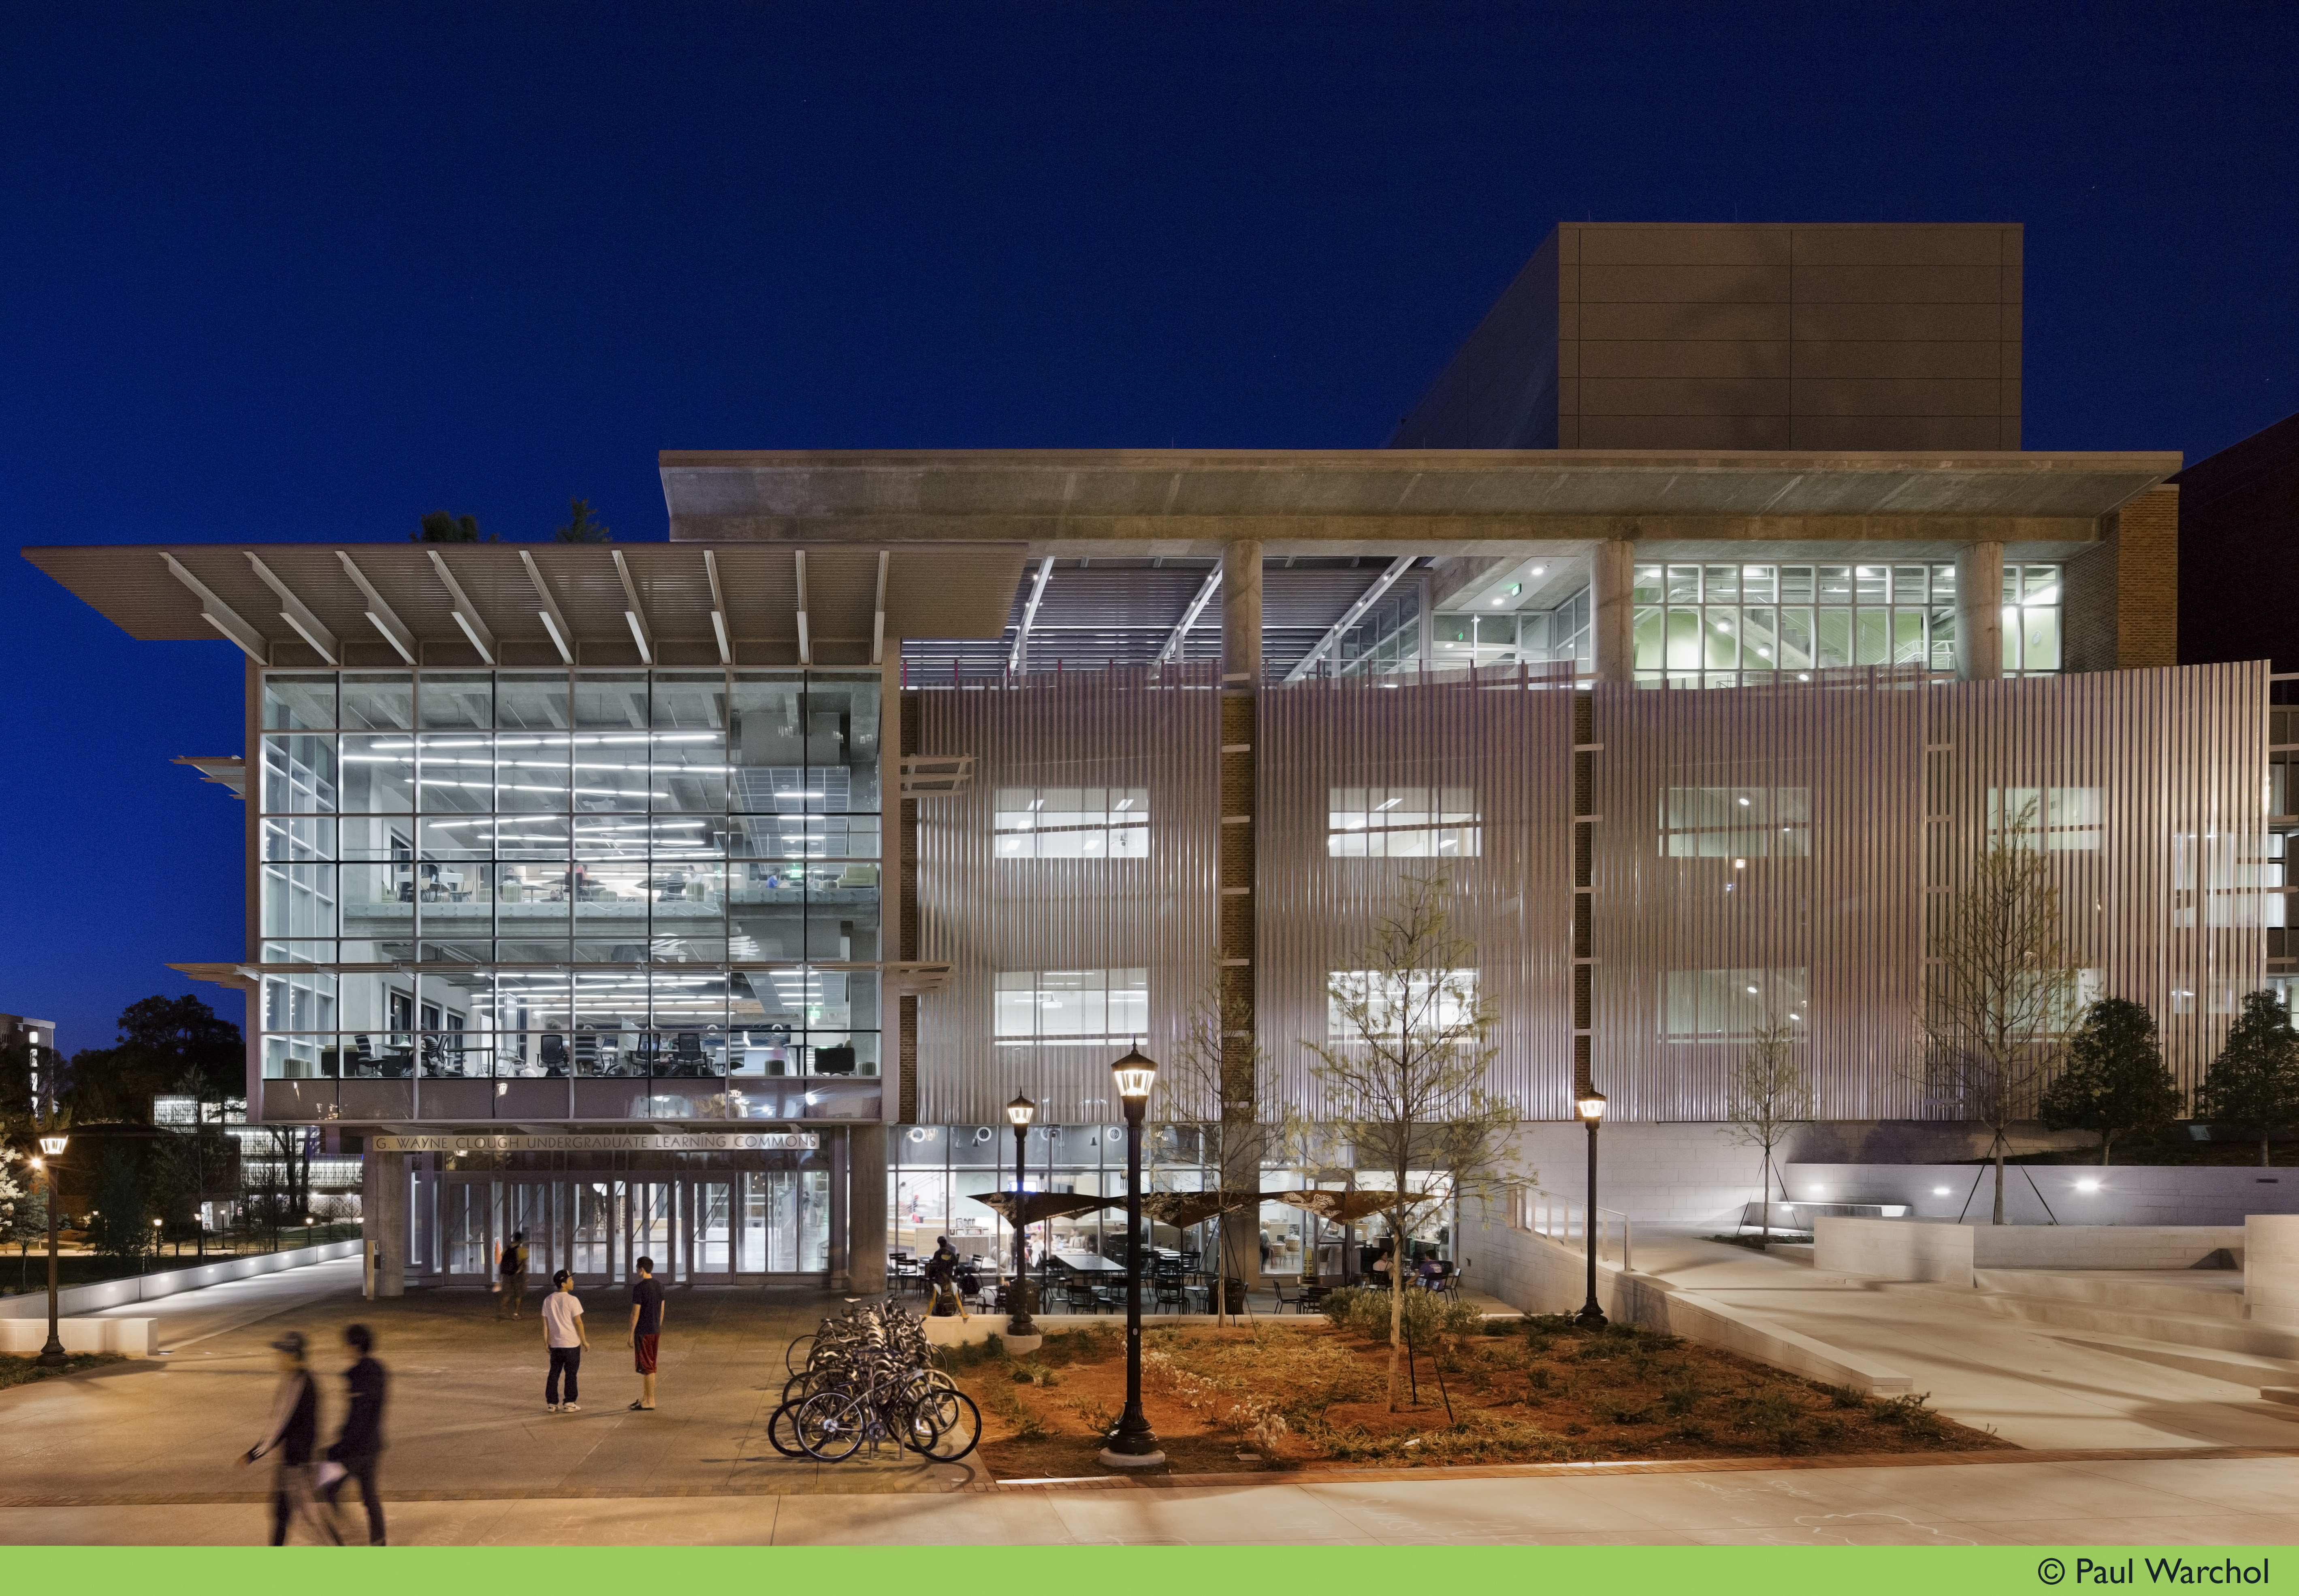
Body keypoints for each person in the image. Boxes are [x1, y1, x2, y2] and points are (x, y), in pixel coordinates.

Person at [241, 1330, 319, 1546]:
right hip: (292, 1461)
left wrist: (252, 1454)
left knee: (313, 1520)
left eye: (282, 1354)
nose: (278, 1358)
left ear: (293, 1356)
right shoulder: (296, 1380)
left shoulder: (299, 1383)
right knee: (282, 1514)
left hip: (297, 1463)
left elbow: (278, 1426)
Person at [319, 1323, 387, 1546]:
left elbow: (358, 1418)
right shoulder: (377, 1371)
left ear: (355, 1346)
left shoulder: (361, 1376)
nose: (344, 1349)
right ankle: (379, 1544)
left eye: (346, 1345)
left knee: (328, 1490)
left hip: (356, 1451)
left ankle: (341, 1540)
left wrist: (336, 1450)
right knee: (370, 1498)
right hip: (371, 1447)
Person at [542, 1267, 588, 1413]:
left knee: (554, 1374)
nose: (573, 1282)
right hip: (572, 1344)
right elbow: (578, 1322)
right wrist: (584, 1341)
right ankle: (569, 1402)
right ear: (563, 1284)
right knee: (571, 1374)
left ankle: (552, 1403)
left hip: (556, 1344)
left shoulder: (548, 1300)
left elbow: (545, 1324)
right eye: (570, 1280)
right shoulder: (573, 1300)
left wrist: (546, 1342)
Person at [627, 1256, 665, 1410]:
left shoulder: (639, 1288)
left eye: (637, 1268)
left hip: (644, 1332)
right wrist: (658, 1326)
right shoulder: (660, 1286)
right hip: (655, 1330)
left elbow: (635, 1313)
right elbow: (662, 1310)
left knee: (648, 1367)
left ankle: (650, 1400)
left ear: (642, 1270)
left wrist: (630, 1334)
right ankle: (645, 1397)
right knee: (648, 1365)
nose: (637, 1271)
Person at [925, 1235, 967, 1320]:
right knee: (956, 1296)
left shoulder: (937, 1253)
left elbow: (934, 1263)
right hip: (949, 1276)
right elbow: (955, 1263)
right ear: (946, 1244)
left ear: (940, 1245)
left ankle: (927, 1287)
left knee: (934, 1297)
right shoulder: (951, 1254)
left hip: (940, 1277)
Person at [498, 1230, 529, 1318]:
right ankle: (516, 1314)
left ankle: (502, 1312)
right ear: (521, 1240)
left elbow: (502, 1264)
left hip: (507, 1275)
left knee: (507, 1294)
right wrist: (526, 1276)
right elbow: (525, 1265)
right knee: (518, 1295)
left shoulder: (506, 1249)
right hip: (517, 1276)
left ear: (514, 1239)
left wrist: (501, 1276)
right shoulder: (522, 1251)